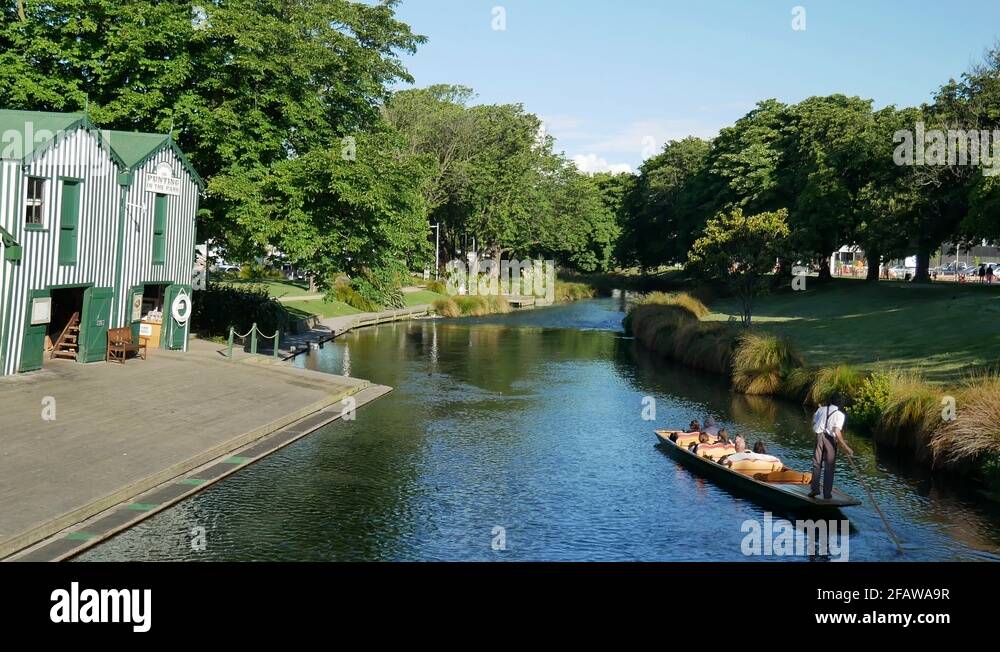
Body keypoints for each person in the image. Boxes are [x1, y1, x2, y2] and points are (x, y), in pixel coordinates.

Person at [810, 395, 854, 499]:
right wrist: (846, 447)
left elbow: (814, 422)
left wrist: (819, 412)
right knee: (829, 467)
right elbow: (836, 432)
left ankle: (815, 489)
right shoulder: (839, 415)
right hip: (830, 440)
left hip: (819, 437)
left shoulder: (821, 409)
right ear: (840, 405)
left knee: (817, 464)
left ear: (830, 402)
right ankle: (827, 494)